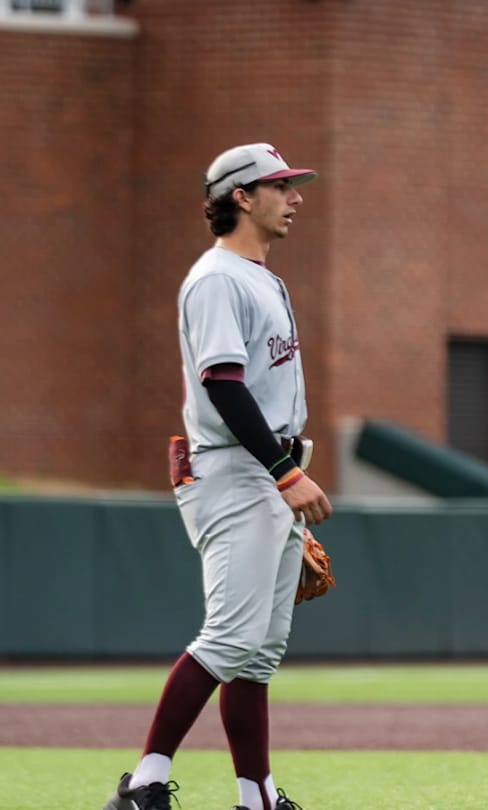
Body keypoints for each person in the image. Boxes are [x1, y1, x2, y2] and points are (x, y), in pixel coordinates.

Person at [103, 143, 333, 810]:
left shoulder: (260, 275)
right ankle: (143, 786)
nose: (294, 197)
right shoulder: (217, 279)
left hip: (263, 469)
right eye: (280, 187)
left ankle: (255, 796)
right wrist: (286, 474)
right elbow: (223, 384)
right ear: (240, 196)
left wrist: (284, 477)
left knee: (258, 652)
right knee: (230, 636)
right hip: (238, 469)